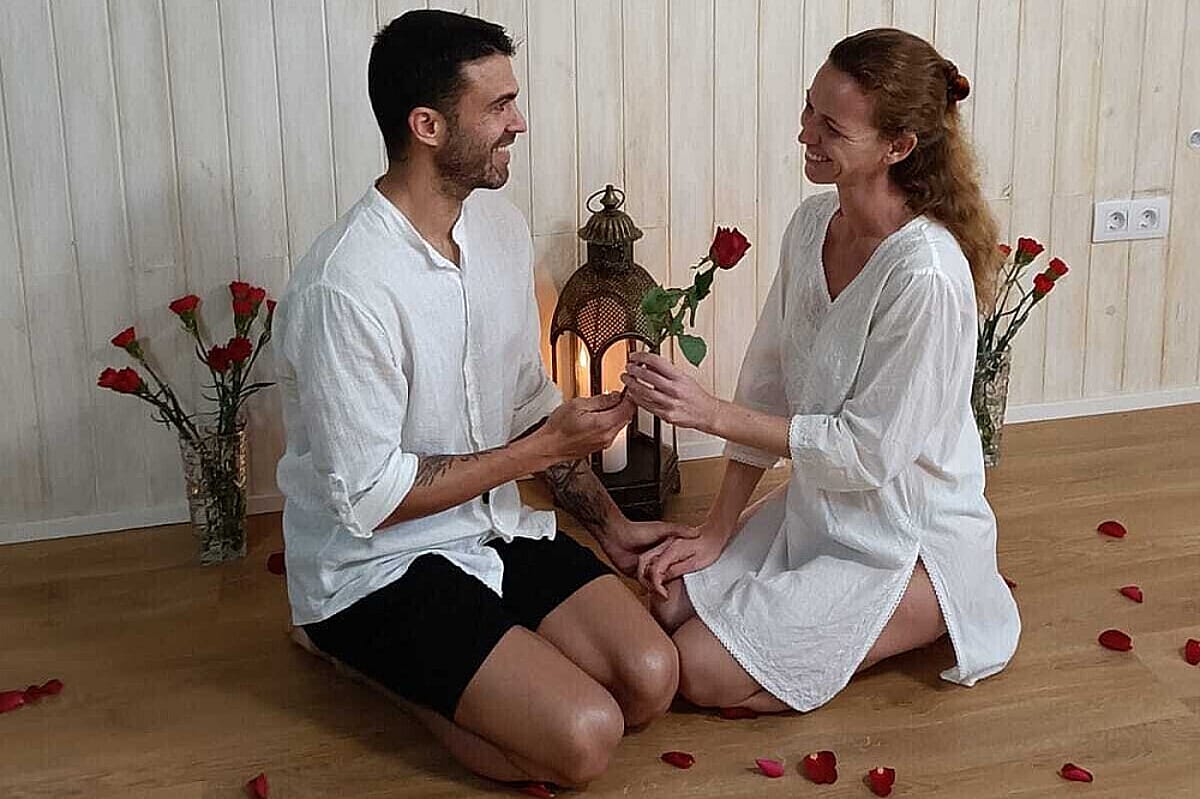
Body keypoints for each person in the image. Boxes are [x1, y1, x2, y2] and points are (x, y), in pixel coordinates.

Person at [273, 10, 688, 788]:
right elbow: (374, 498)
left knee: (649, 677)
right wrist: (543, 449)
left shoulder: (499, 229)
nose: (518, 123)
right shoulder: (346, 287)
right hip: (376, 564)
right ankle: (352, 654)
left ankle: (480, 670)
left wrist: (613, 523)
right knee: (586, 737)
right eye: (497, 107)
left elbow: (529, 403)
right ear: (427, 125)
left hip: (491, 526)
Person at [621, 28, 1021, 715]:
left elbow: (866, 453)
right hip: (819, 509)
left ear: (898, 147)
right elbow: (767, 377)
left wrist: (708, 411)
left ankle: (947, 594)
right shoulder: (813, 225)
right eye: (809, 109)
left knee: (700, 673)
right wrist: (717, 526)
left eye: (831, 126)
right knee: (664, 606)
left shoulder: (926, 276)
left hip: (899, 533)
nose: (806, 132)